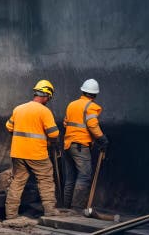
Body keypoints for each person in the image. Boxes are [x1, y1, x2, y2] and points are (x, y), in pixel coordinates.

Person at [4, 80, 63, 219]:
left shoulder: (18, 108)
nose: (49, 100)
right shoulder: (44, 111)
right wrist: (53, 142)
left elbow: (9, 127)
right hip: (37, 154)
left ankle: (11, 214)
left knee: (17, 182)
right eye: (49, 97)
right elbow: (54, 133)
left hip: (18, 152)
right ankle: (49, 210)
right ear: (46, 95)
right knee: (45, 179)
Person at [61, 79, 109, 209]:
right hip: (80, 145)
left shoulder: (72, 105)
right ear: (95, 94)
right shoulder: (91, 107)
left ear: (83, 91)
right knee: (84, 176)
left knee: (70, 178)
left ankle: (66, 207)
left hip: (68, 145)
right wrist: (101, 138)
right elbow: (92, 125)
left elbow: (65, 123)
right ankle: (76, 209)